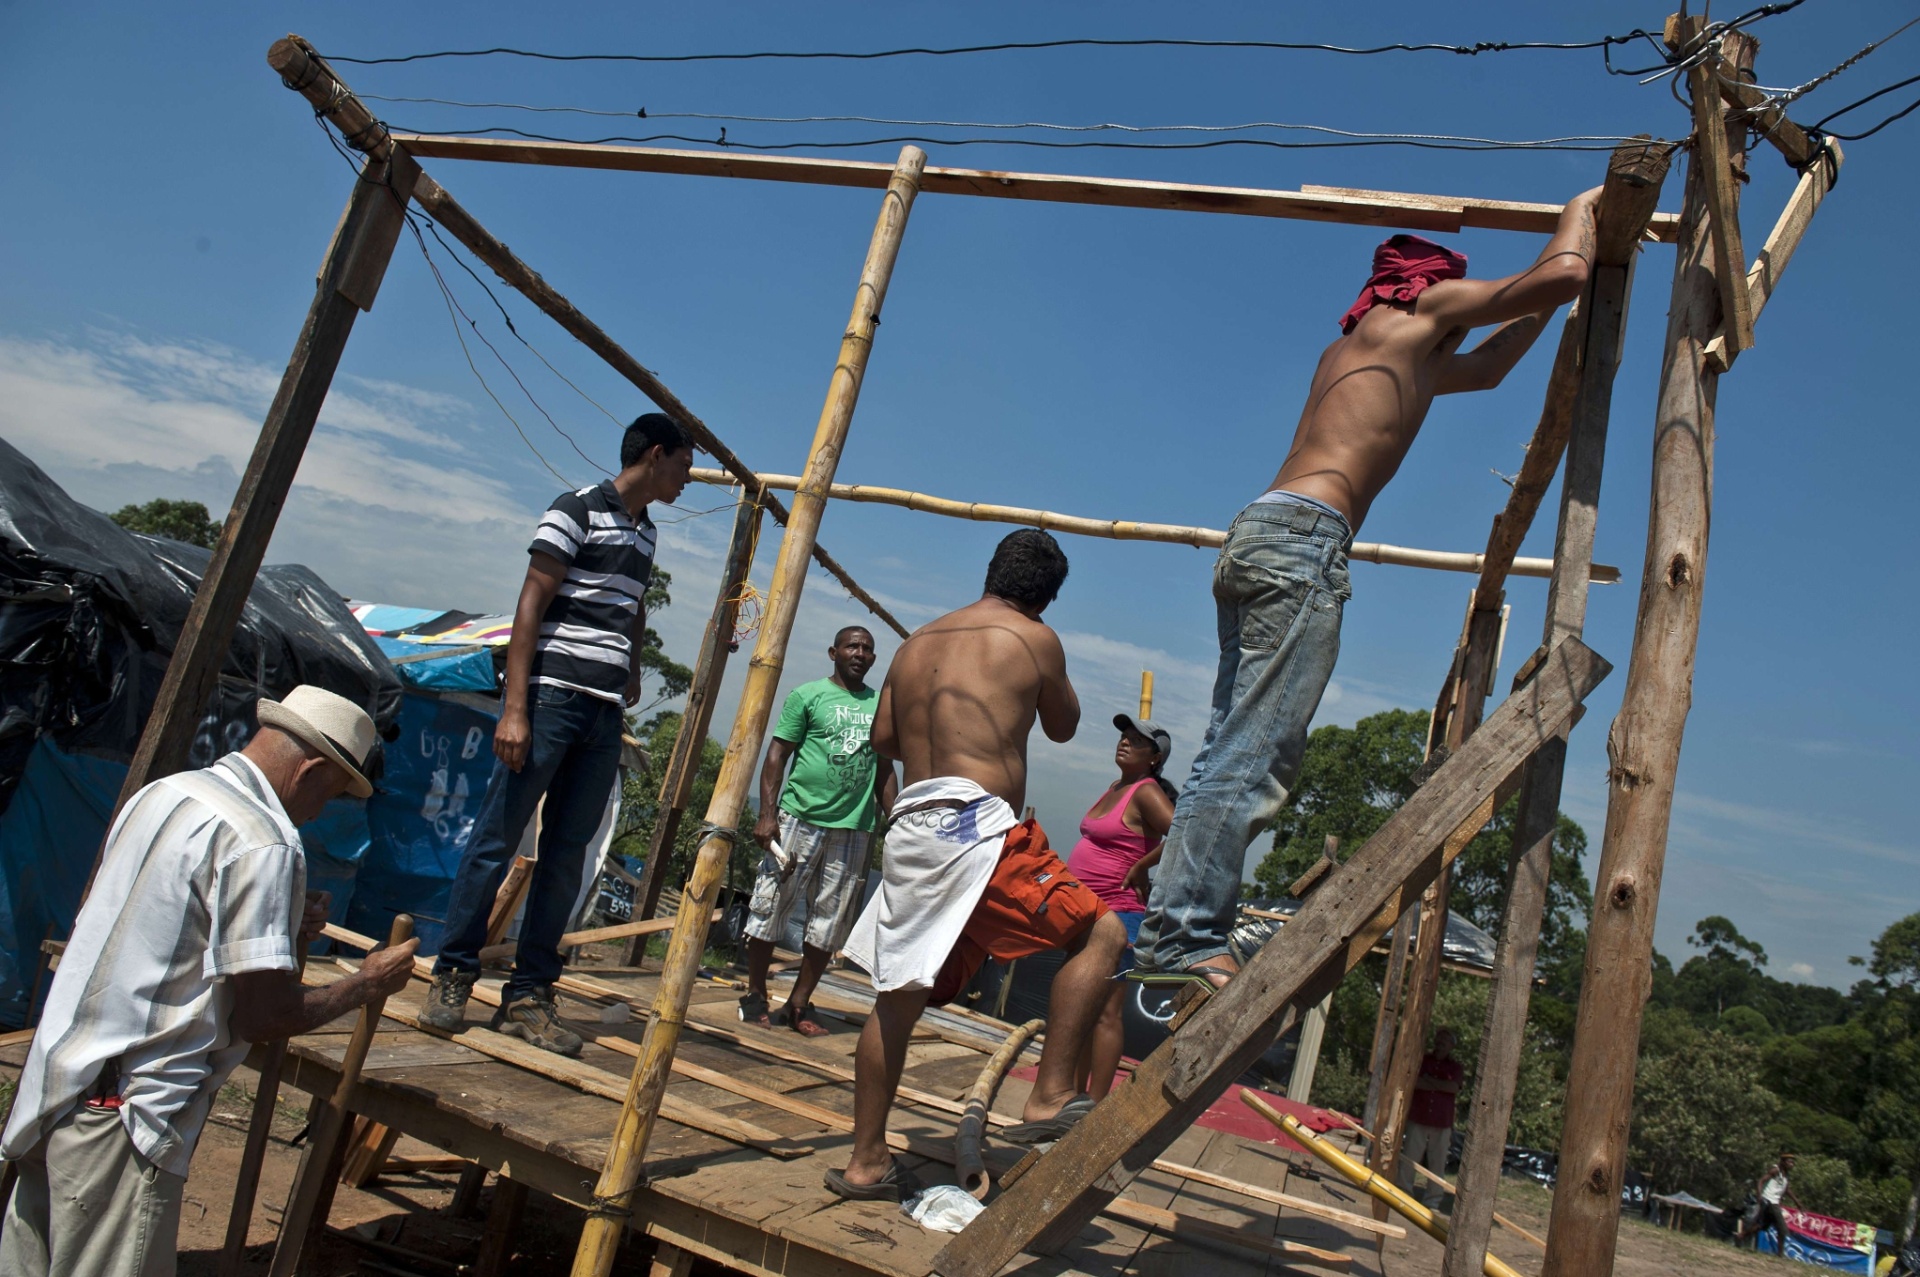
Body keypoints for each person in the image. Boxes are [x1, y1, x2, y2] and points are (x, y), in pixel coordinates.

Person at [1134, 190, 1603, 990]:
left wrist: (1552, 309)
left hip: (1266, 531)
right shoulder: (1415, 308)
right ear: (1427, 290)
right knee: (1256, 750)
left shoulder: (1371, 347)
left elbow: (1488, 368)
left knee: (1228, 744)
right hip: (1305, 540)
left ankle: (1178, 918)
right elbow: (1558, 275)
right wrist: (1583, 214)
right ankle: (1183, 931)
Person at [0, 686, 420, 1277]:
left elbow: (153, 917)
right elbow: (264, 1017)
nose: (321, 811)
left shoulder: (164, 794)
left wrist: (280, 926)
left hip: (56, 1085)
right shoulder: (263, 841)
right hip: (125, 1114)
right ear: (312, 768)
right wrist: (367, 983)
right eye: (329, 792)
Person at [830, 530, 1128, 1202]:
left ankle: (866, 1161)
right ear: (1047, 596)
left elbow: (883, 739)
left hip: (910, 823)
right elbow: (1063, 724)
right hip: (974, 821)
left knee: (896, 1000)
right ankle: (1050, 1095)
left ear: (991, 572)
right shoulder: (1032, 636)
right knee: (1103, 934)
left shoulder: (914, 643)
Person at [424, 413, 694, 1056]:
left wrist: (629, 664)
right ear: (656, 456)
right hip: (551, 701)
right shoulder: (574, 509)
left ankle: (529, 996)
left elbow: (629, 608)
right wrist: (514, 708)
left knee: (567, 854)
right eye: (684, 466)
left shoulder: (646, 532)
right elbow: (531, 604)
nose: (688, 480)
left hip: (602, 715)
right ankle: (453, 975)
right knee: (496, 838)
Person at [739, 625, 899, 1037]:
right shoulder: (807, 695)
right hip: (798, 819)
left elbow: (884, 768)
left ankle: (799, 1003)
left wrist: (895, 819)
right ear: (834, 652)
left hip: (854, 830)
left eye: (867, 648)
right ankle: (755, 995)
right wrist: (767, 814)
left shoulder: (880, 707)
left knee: (830, 922)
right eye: (852, 646)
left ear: (874, 659)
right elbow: (777, 754)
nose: (859, 653)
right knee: (770, 906)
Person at [1065, 715, 1176, 1100]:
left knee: (1105, 1012)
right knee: (1081, 1007)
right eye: (1123, 736)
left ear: (1155, 758)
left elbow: (1181, 834)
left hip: (1118, 913)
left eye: (1135, 740)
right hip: (1084, 912)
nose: (1124, 742)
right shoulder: (1116, 787)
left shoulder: (1145, 791)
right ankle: (1071, 1097)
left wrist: (1142, 866)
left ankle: (1094, 1105)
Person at [1399, 1026, 1463, 1209]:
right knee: (1410, 1156)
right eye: (1438, 1040)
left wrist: (1430, 1082)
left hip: (1442, 1121)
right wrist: (1440, 1084)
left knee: (1438, 1162)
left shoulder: (1455, 1067)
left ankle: (1432, 1200)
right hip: (1419, 1116)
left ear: (1451, 1045)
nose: (1439, 1044)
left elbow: (1453, 1087)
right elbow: (1414, 1082)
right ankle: (1403, 1192)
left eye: (1444, 1041)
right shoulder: (1423, 1060)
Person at [1754, 1153, 1801, 1250]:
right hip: (1769, 1200)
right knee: (1782, 1228)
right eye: (1789, 1162)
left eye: (1793, 1162)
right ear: (1783, 1162)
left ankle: (1741, 1235)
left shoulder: (1786, 1175)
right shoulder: (1776, 1170)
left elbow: (1787, 1190)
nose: (1791, 1164)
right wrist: (1759, 1196)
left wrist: (1797, 1203)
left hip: (1774, 1202)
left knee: (1761, 1226)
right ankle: (1780, 1254)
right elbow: (1761, 1181)